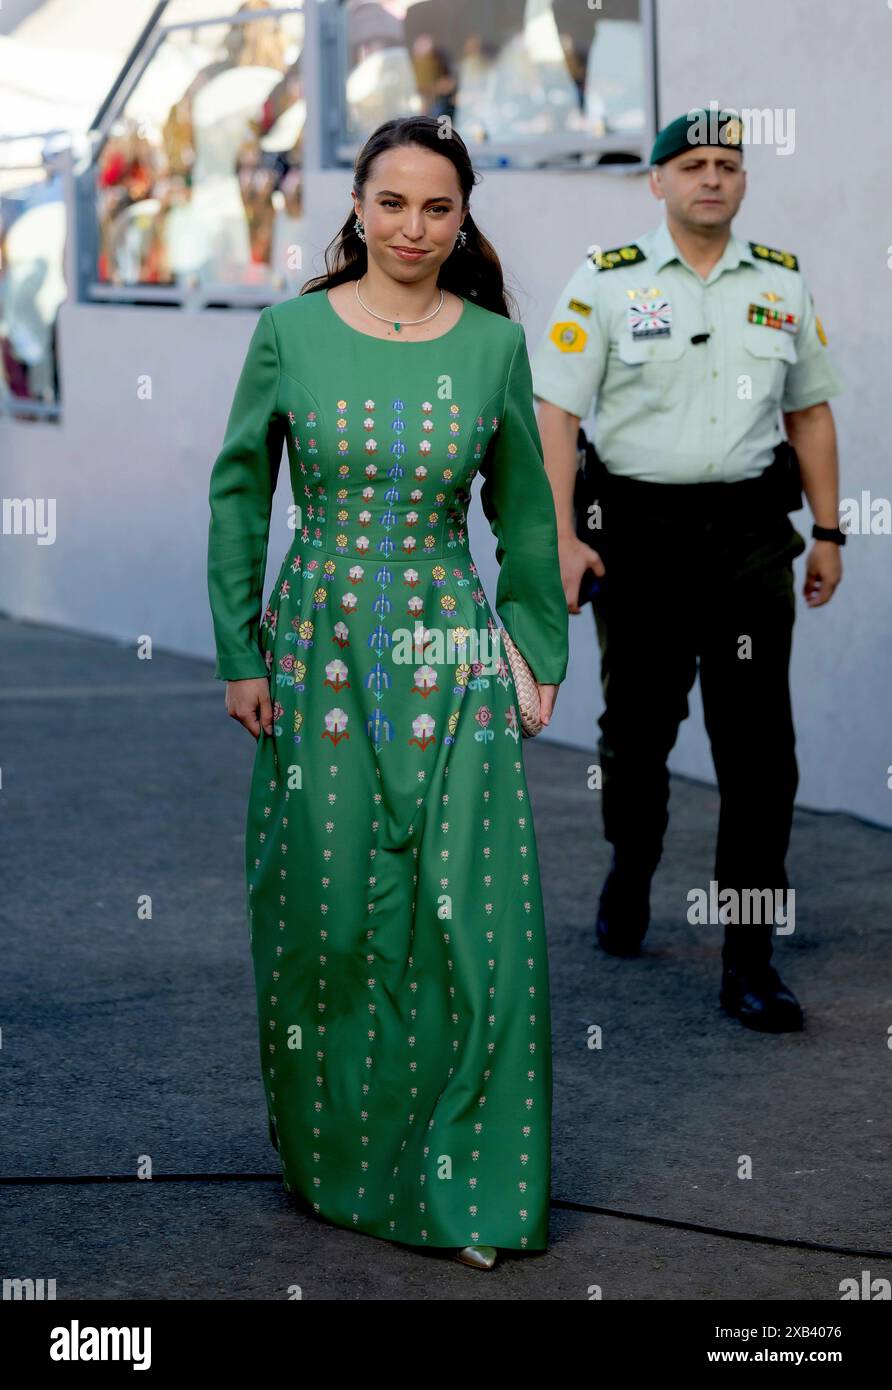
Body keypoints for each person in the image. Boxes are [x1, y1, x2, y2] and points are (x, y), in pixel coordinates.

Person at [207, 116, 569, 1268]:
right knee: (331, 916)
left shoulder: (496, 347)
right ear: (358, 206)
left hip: (450, 652)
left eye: (439, 208)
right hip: (316, 654)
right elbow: (236, 495)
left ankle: (473, 1185)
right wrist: (238, 649)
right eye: (393, 202)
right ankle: (344, 1163)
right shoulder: (288, 333)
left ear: (465, 220)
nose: (414, 227)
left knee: (473, 921)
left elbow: (523, 512)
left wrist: (535, 648)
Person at [530, 107, 844, 1033]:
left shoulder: (781, 284)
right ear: (657, 181)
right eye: (693, 163)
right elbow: (557, 416)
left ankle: (749, 961)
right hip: (638, 535)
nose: (713, 177)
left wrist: (830, 530)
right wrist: (560, 537)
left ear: (744, 182)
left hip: (748, 537)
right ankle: (632, 866)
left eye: (729, 164)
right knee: (638, 735)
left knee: (760, 757)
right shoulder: (607, 283)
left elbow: (812, 412)